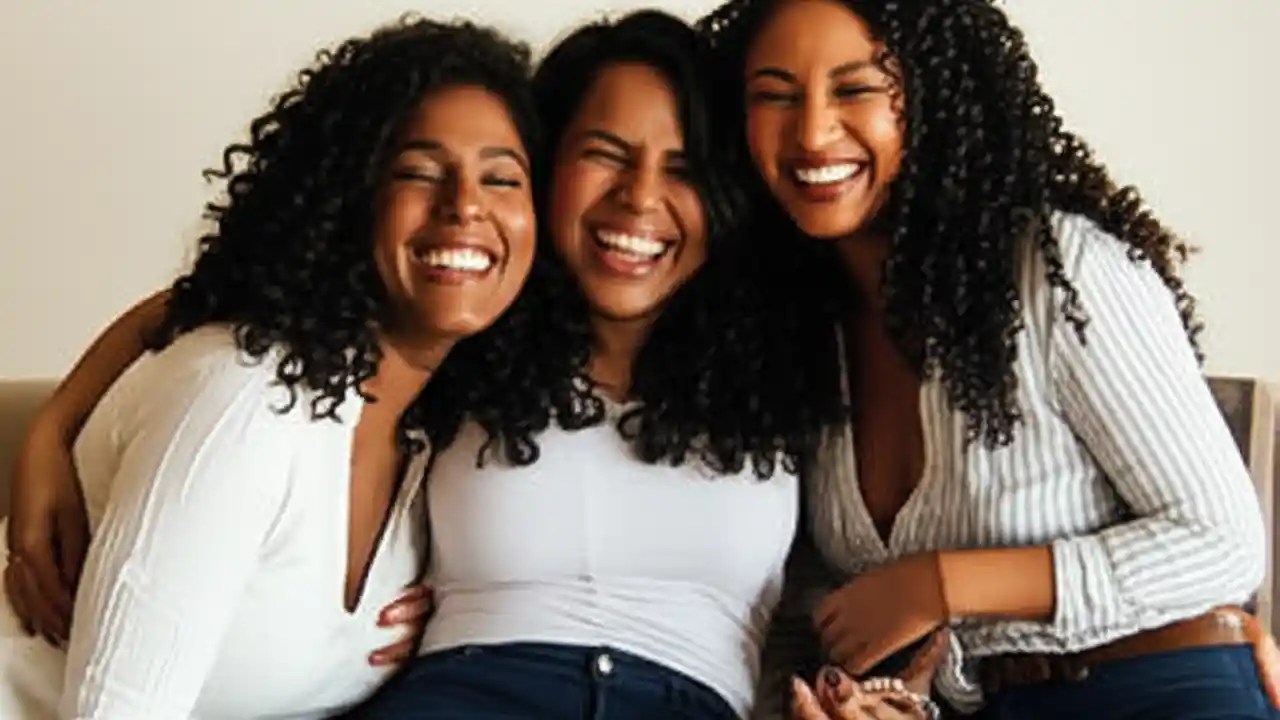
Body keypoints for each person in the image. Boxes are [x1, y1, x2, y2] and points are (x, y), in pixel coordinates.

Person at [6, 10, 941, 720]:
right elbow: (232, 306)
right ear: (541, 175)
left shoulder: (792, 374)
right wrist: (56, 428)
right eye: (602, 155)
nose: (640, 200)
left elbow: (842, 604)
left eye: (684, 168)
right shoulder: (466, 336)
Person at [698, 0, 1280, 717]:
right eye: (775, 95)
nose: (812, 130)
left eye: (855, 89)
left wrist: (942, 583)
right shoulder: (789, 335)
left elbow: (1221, 543)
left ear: (937, 97)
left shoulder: (1055, 271)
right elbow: (821, 614)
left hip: (1157, 691)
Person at [1, 16, 540, 718]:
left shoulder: (435, 445)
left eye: (501, 178)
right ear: (346, 199)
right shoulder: (245, 398)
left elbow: (184, 302)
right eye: (416, 171)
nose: (465, 204)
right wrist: (51, 429)